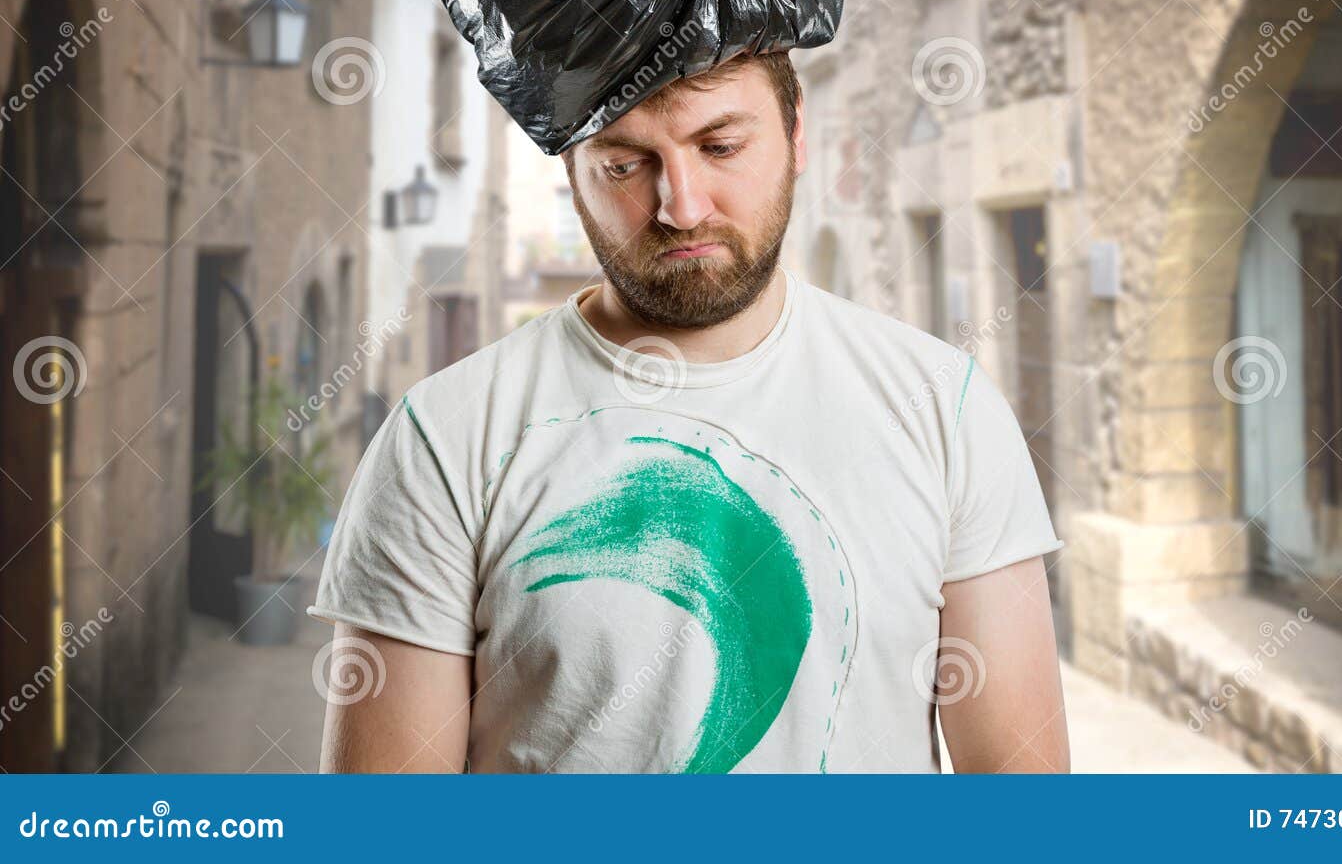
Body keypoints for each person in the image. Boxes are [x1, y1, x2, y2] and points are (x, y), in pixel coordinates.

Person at [309, 47, 1070, 773]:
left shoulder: (944, 407)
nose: (682, 205)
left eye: (721, 145)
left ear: (797, 131)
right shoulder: (444, 436)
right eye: (624, 163)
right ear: (570, 170)